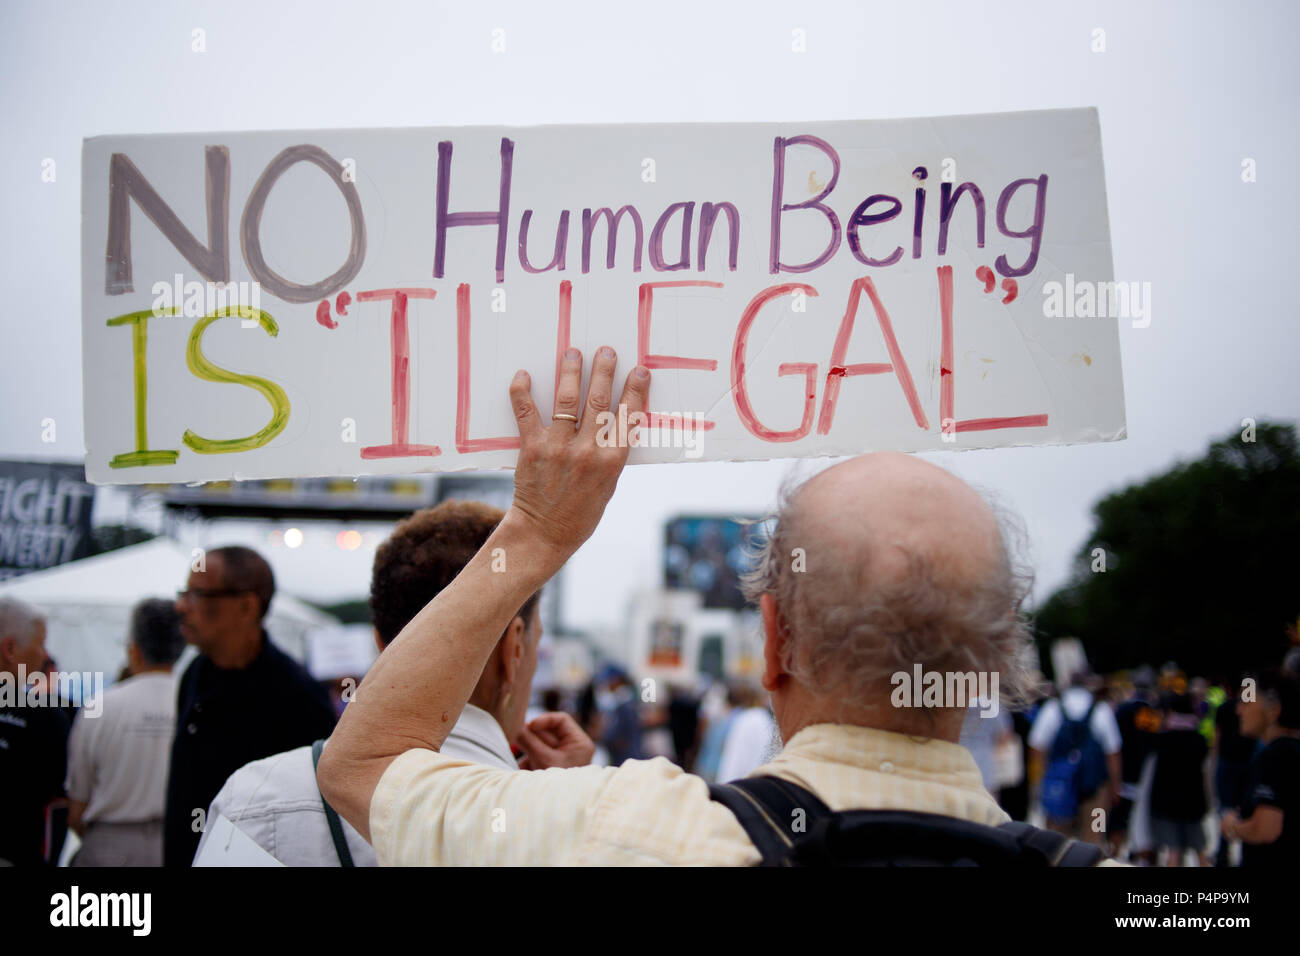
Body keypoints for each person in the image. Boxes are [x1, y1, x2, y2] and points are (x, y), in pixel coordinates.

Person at [318, 348, 1105, 866]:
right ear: (1001, 659)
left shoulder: (627, 830)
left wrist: (533, 535)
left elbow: (362, 764)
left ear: (773, 640)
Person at [193, 501, 593, 866]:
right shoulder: (576, 822)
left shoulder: (255, 795)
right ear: (515, 649)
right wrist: (567, 800)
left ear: (382, 644)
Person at [163, 546, 337, 866]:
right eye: (183, 593)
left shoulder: (297, 695)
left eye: (197, 594)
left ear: (246, 606)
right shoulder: (195, 673)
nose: (181, 606)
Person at [64, 598, 184, 866]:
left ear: (134, 650)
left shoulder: (99, 707)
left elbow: (76, 810)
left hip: (108, 848)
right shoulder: (193, 705)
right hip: (176, 847)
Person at [0, 597, 69, 866]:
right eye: (40, 644)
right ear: (10, 649)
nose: (44, 655)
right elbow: (61, 803)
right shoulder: (45, 717)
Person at [1029, 670, 1123, 847]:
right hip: (1097, 788)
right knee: (1095, 836)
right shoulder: (1102, 709)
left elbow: (1037, 746)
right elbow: (1113, 753)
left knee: (1055, 841)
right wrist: (1115, 787)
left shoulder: (1053, 707)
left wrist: (1039, 781)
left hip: (1059, 784)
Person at [1221, 669, 1300, 866]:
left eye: (1247, 702)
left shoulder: (1276, 756)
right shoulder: (1291, 750)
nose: (1239, 710)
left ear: (1274, 710)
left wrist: (1233, 826)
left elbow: (1265, 829)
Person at [1147, 694, 1210, 866]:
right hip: (1193, 803)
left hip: (1168, 804)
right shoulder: (1199, 740)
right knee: (1200, 849)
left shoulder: (1163, 739)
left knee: (1173, 850)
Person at [1111, 666, 1161, 861]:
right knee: (1143, 821)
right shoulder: (1153, 713)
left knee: (1118, 821)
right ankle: (1142, 856)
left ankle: (1116, 856)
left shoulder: (1123, 710)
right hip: (1146, 775)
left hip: (1124, 774)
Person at [1212, 679, 1257, 865]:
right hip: (1244, 762)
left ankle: (1224, 849)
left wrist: (1214, 761)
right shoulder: (1251, 710)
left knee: (1227, 807)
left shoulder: (1225, 708)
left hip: (1231, 763)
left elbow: (1217, 736)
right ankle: (1230, 848)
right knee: (1239, 807)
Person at [715, 682, 778, 782]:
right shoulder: (763, 719)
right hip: (751, 784)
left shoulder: (749, 718)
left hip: (738, 784)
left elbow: (733, 760)